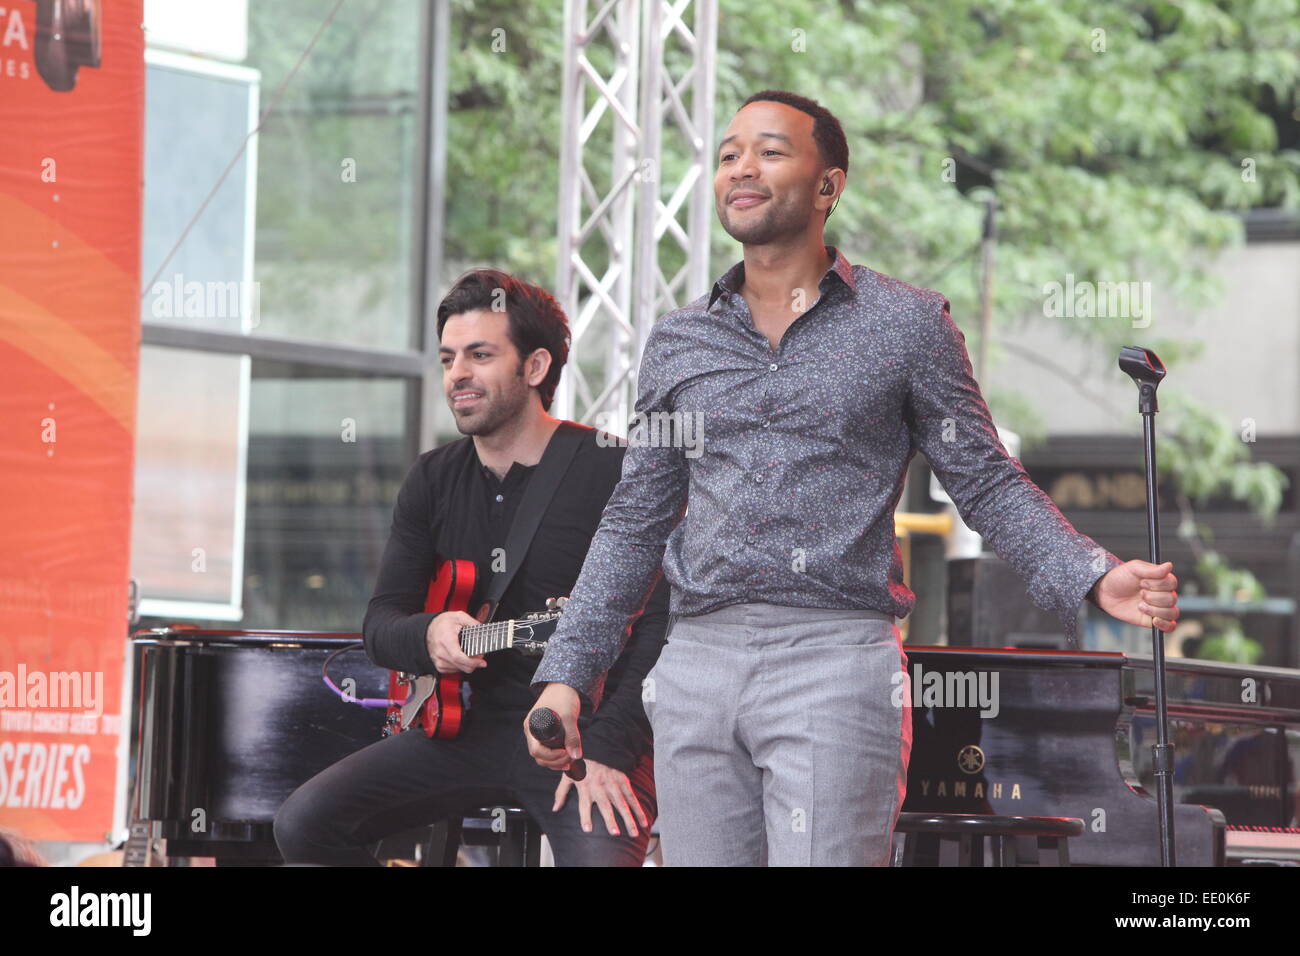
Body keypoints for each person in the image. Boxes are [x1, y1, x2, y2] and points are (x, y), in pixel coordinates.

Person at [525, 90, 1180, 866]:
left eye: (770, 151)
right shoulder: (679, 342)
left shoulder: (906, 325)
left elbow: (984, 479)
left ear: (829, 185)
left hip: (833, 660)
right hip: (696, 661)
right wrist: (568, 673)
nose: (742, 167)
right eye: (730, 153)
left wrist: (1090, 573)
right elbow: (635, 518)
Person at [275, 269, 668, 866]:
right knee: (303, 823)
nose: (457, 373)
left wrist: (612, 749)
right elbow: (381, 623)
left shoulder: (613, 469)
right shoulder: (432, 478)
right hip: (462, 730)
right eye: (448, 358)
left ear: (535, 368)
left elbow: (660, 628)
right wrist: (429, 634)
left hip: (581, 738)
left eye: (480, 355)